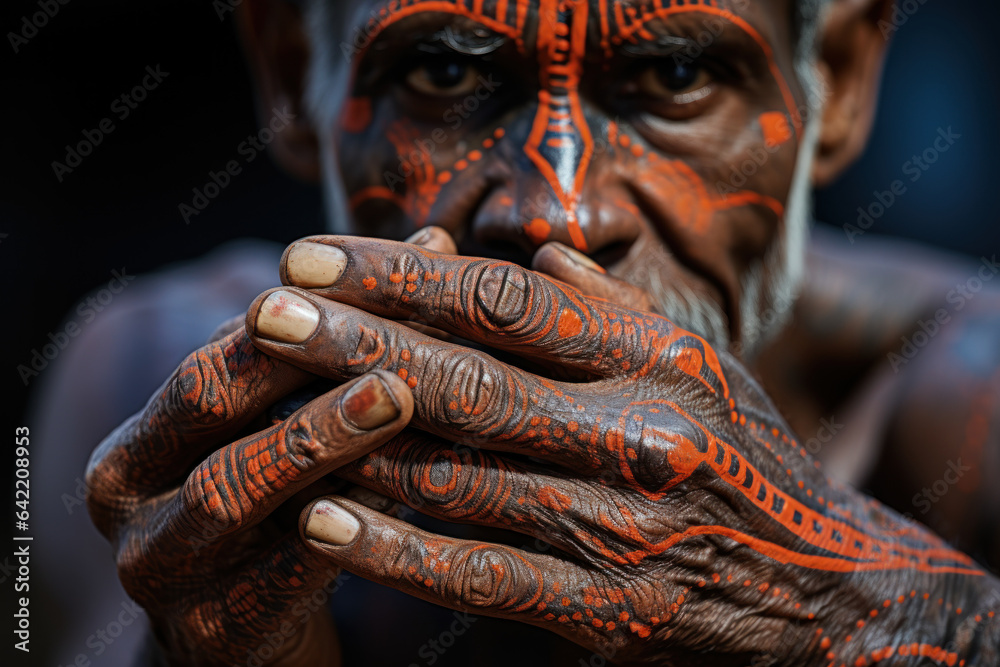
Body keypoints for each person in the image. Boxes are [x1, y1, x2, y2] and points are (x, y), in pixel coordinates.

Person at [33, 0, 1000, 664]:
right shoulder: (146, 379)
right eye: (445, 70)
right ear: (294, 72)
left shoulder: (968, 399)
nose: (560, 214)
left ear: (836, 74)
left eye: (676, 73)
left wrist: (871, 612)